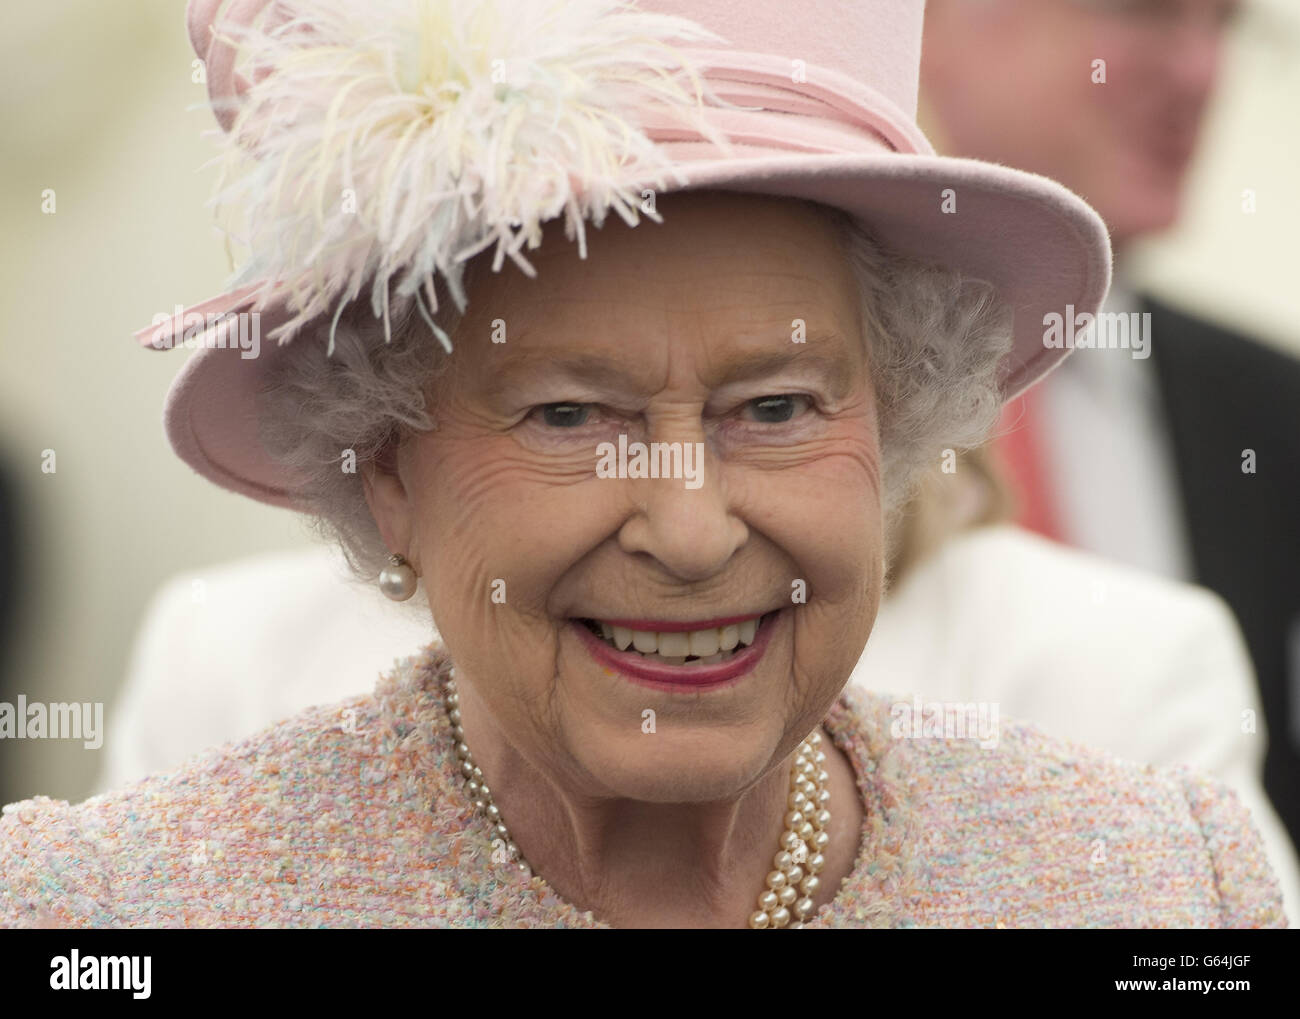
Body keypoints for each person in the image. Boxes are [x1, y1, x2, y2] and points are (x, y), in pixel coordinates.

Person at [0, 0, 1284, 928]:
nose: (691, 530)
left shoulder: (1163, 892)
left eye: (775, 405)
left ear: (894, 433)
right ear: (386, 464)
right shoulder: (122, 916)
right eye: (567, 416)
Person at [921, 0, 1300, 854]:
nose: (1201, 72)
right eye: (1146, 11)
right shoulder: (776, 401)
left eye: (1227, 24)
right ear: (932, 22)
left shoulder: (1275, 416)